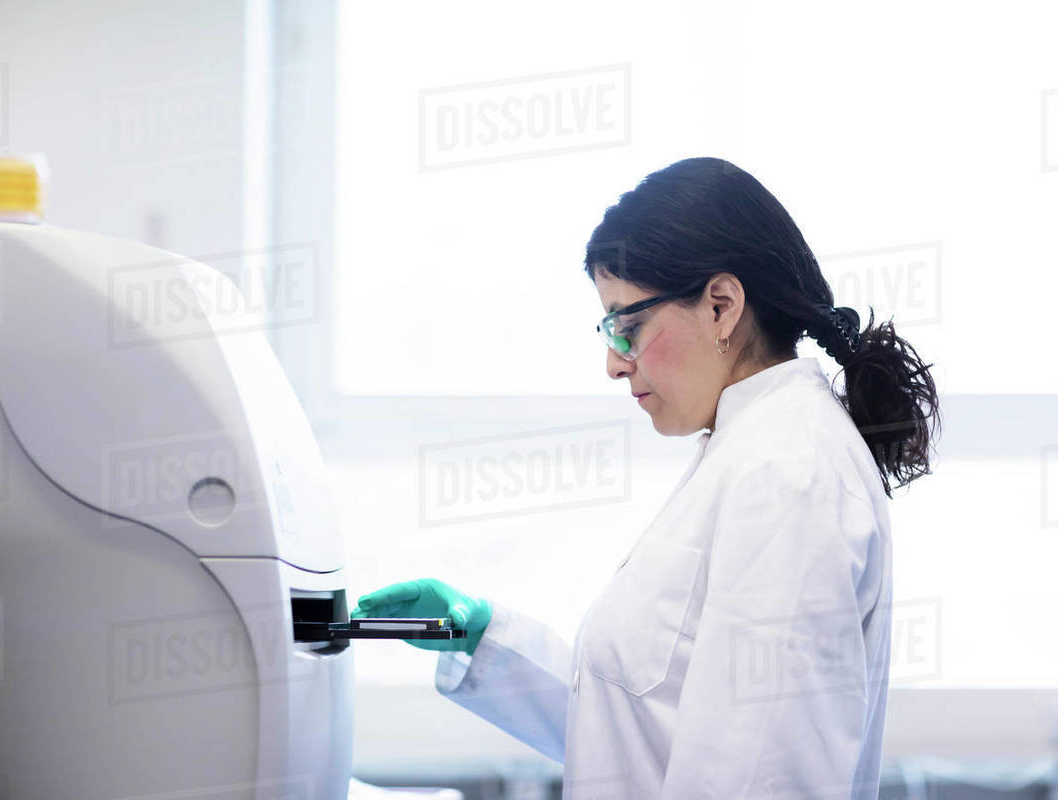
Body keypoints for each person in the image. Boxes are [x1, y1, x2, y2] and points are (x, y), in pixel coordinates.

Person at [353, 157, 939, 799]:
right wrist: (485, 636)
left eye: (627, 327)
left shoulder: (789, 472)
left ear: (721, 306)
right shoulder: (750, 450)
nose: (613, 362)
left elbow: (762, 778)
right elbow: (644, 726)